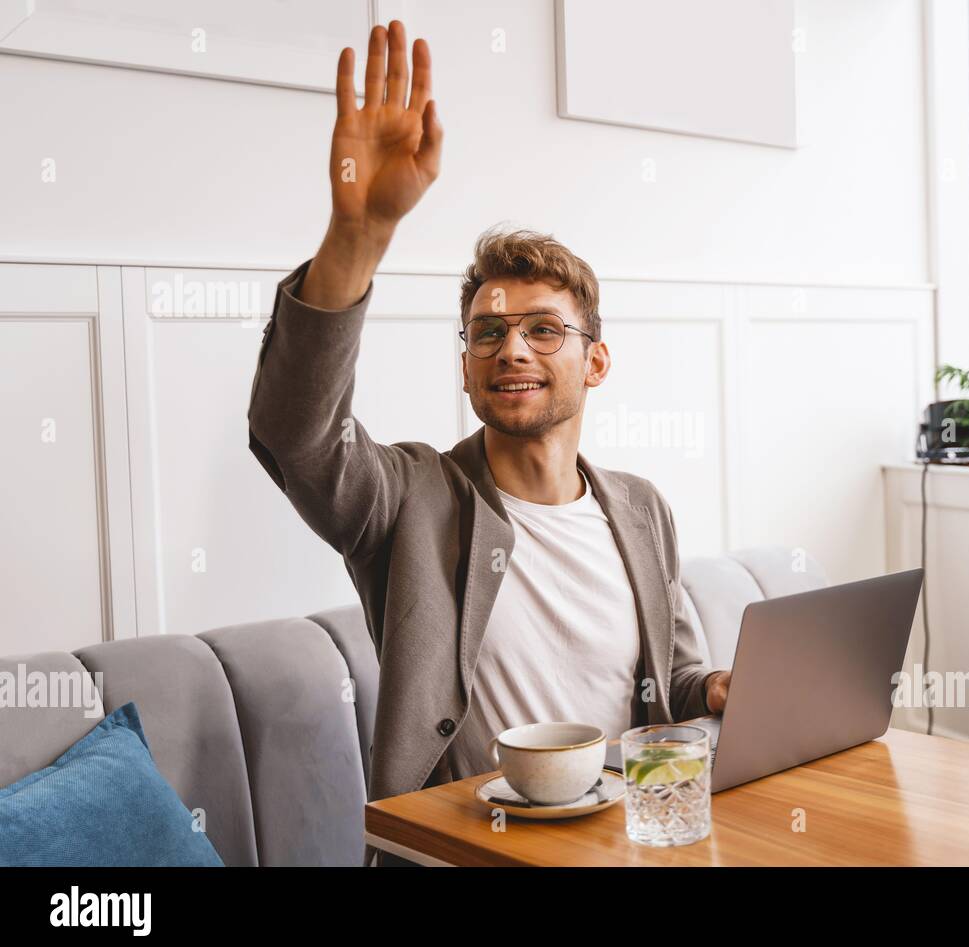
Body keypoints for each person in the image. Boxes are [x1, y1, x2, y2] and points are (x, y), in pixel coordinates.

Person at [246, 20, 731, 867]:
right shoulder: (409, 499)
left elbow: (672, 688)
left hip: (631, 848)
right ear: (466, 364)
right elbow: (298, 434)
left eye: (545, 330)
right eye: (487, 332)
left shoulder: (642, 509)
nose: (511, 349)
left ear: (597, 360)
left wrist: (719, 689)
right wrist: (358, 233)